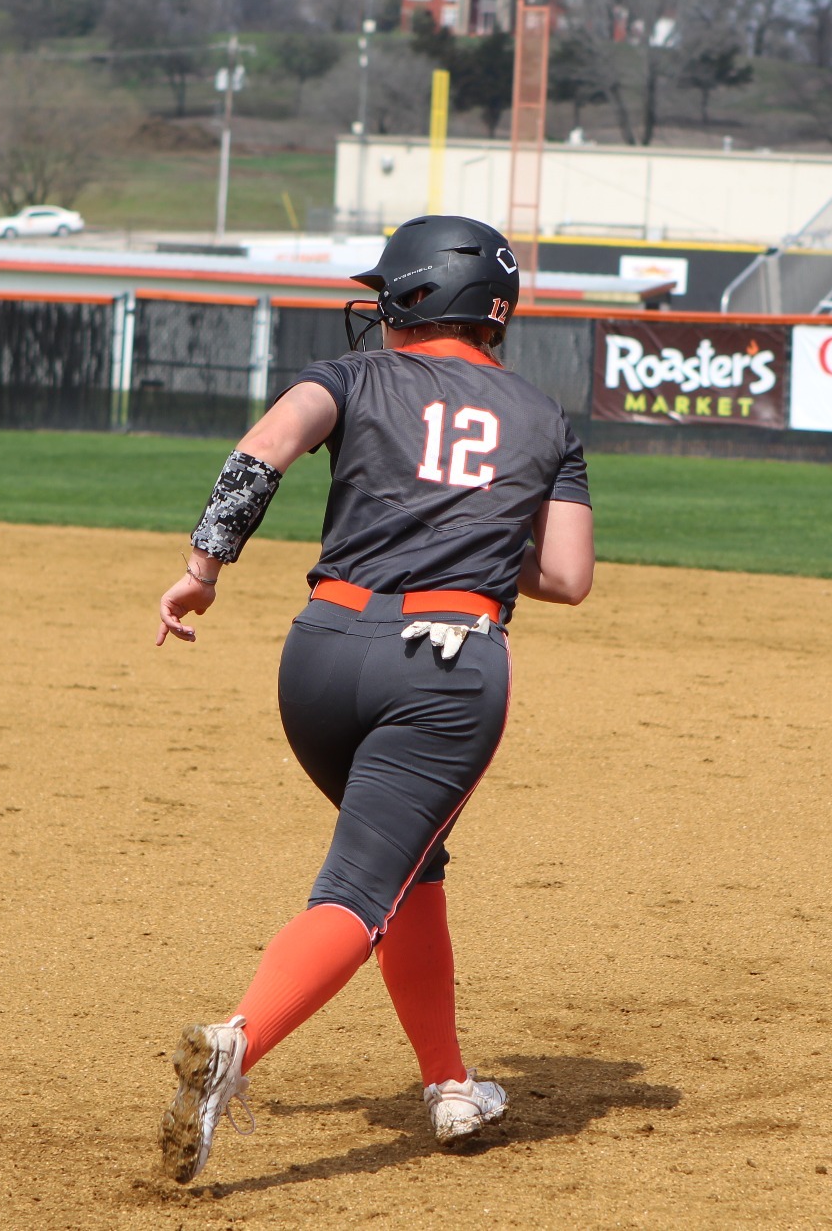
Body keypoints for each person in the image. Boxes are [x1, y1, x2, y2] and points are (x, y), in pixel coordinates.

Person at [150, 215, 596, 1184]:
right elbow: (565, 577)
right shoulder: (545, 420)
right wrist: (475, 529)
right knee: (359, 890)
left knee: (410, 866)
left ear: (414, 299)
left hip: (316, 656)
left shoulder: (344, 377)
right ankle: (235, 1043)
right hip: (440, 668)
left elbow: (260, 451)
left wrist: (201, 569)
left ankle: (448, 1084)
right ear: (494, 312)